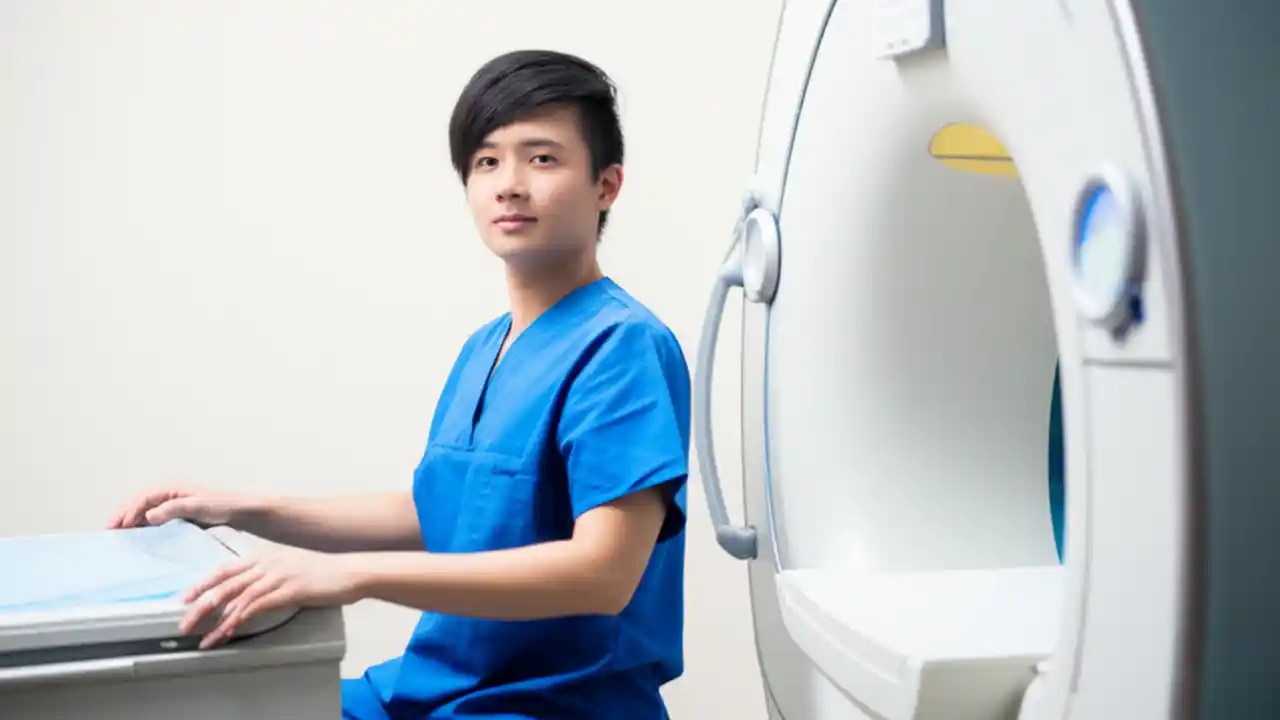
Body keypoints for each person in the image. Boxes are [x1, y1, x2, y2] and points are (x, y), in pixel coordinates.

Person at [108, 49, 691, 720]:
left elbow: (604, 573)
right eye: (486, 161)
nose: (508, 184)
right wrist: (238, 507)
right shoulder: (486, 348)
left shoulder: (621, 347)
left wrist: (355, 577)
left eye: (542, 158)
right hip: (430, 691)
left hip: (549, 705)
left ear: (606, 186)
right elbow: (446, 512)